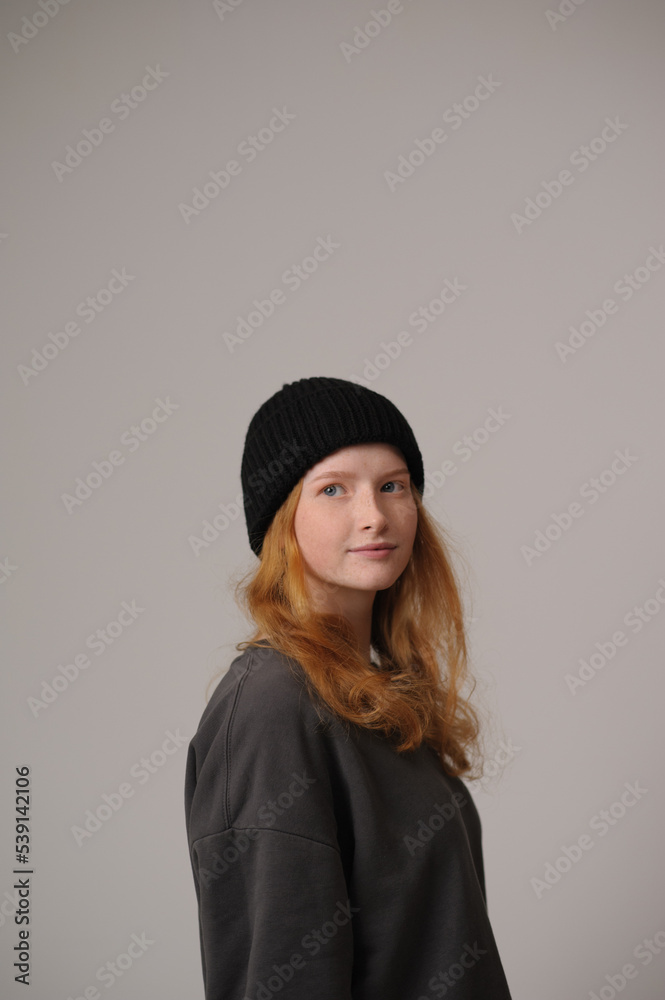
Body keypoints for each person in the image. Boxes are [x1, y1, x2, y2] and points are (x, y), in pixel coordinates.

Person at [184, 376, 514, 1000]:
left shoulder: (382, 698)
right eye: (333, 489)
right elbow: (283, 973)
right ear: (282, 519)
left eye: (393, 485)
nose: (374, 516)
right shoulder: (273, 707)